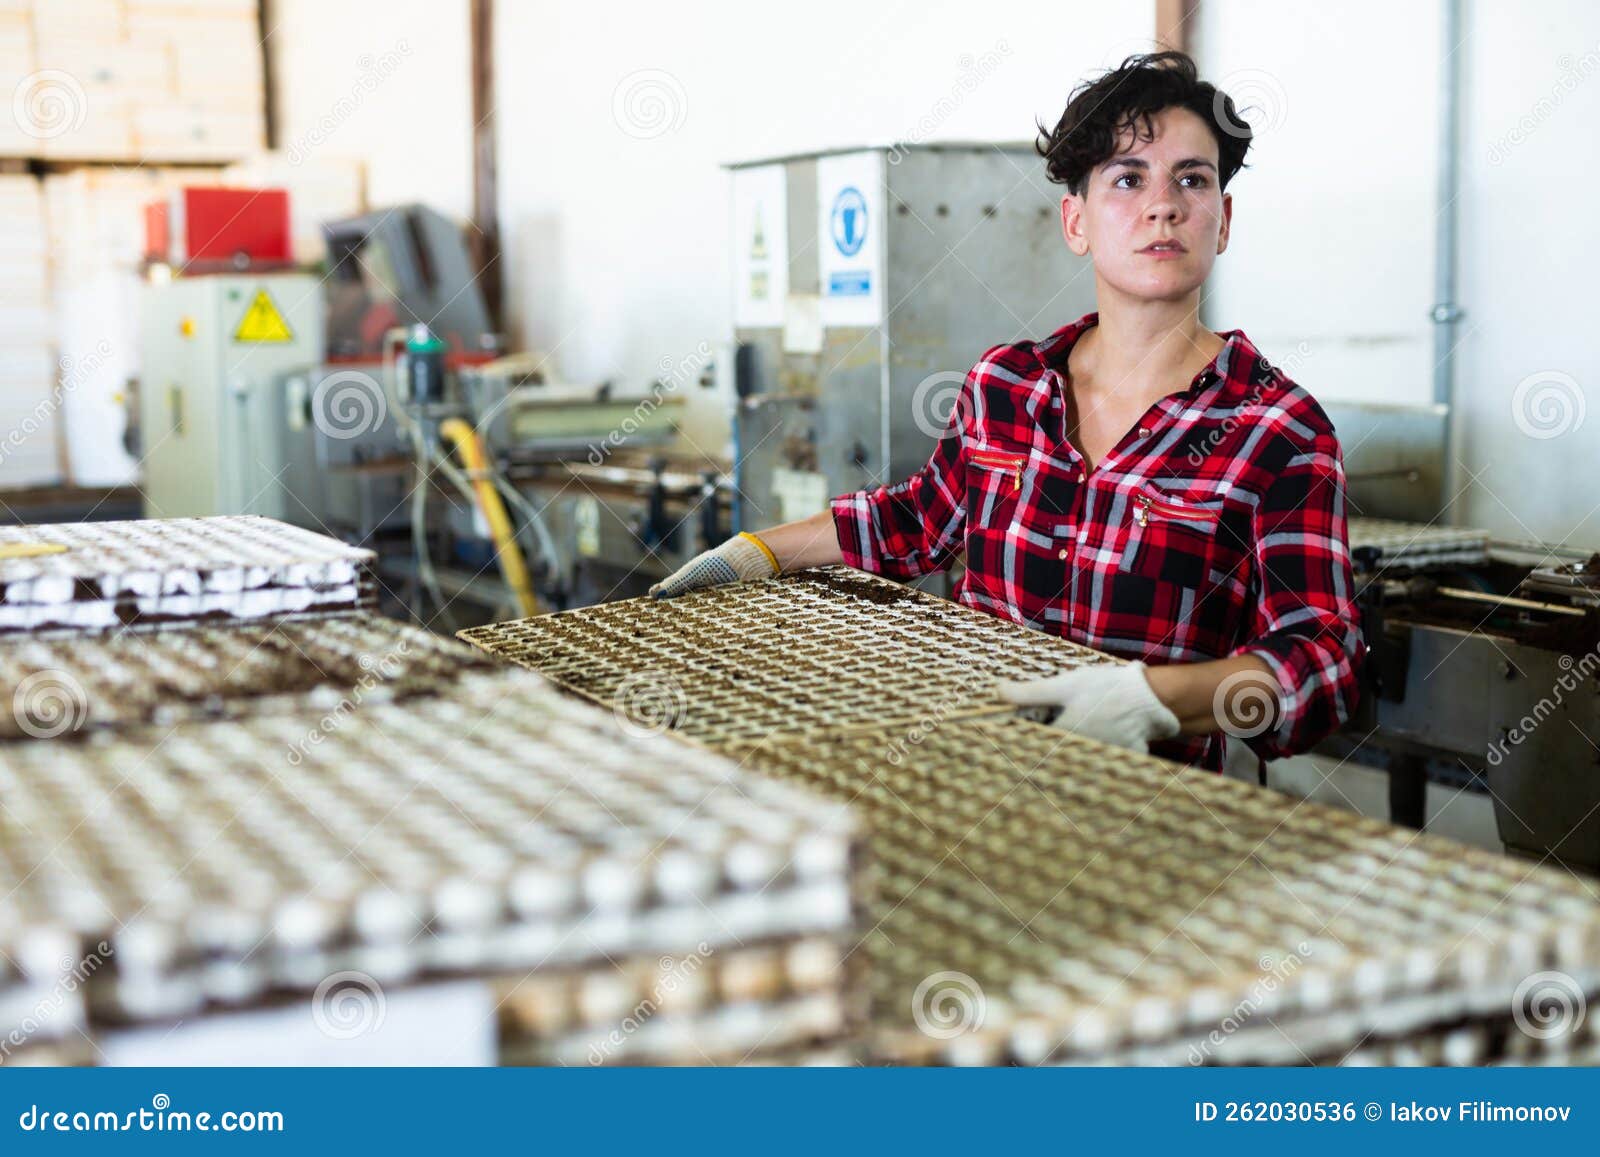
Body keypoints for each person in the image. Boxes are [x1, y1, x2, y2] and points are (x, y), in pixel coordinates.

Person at [651, 51, 1364, 773]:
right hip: (970, 781)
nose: (1164, 205)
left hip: (1148, 815)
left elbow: (1323, 663)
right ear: (1075, 221)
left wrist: (1150, 698)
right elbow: (918, 519)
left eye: (1192, 179)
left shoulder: (1277, 430)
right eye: (1128, 178)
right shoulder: (1009, 386)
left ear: (1224, 219)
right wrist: (758, 551)